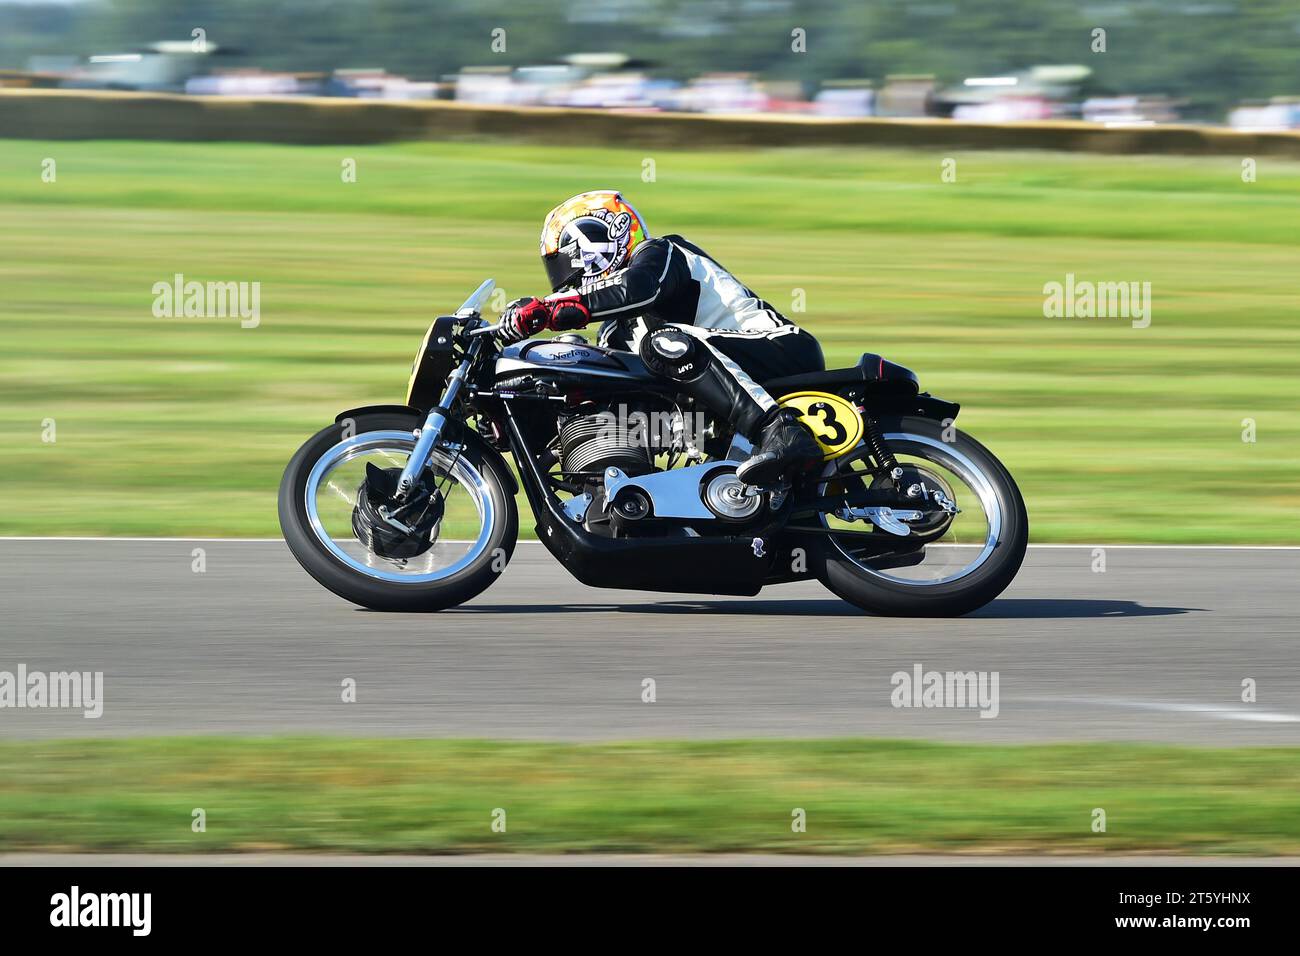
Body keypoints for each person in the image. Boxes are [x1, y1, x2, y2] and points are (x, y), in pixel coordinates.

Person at [498, 189, 824, 485]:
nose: (565, 280)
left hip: (779, 349)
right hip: (721, 391)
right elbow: (619, 397)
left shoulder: (661, 253)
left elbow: (638, 288)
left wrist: (554, 309)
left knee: (663, 342)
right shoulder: (616, 329)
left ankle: (779, 429)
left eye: (564, 263)